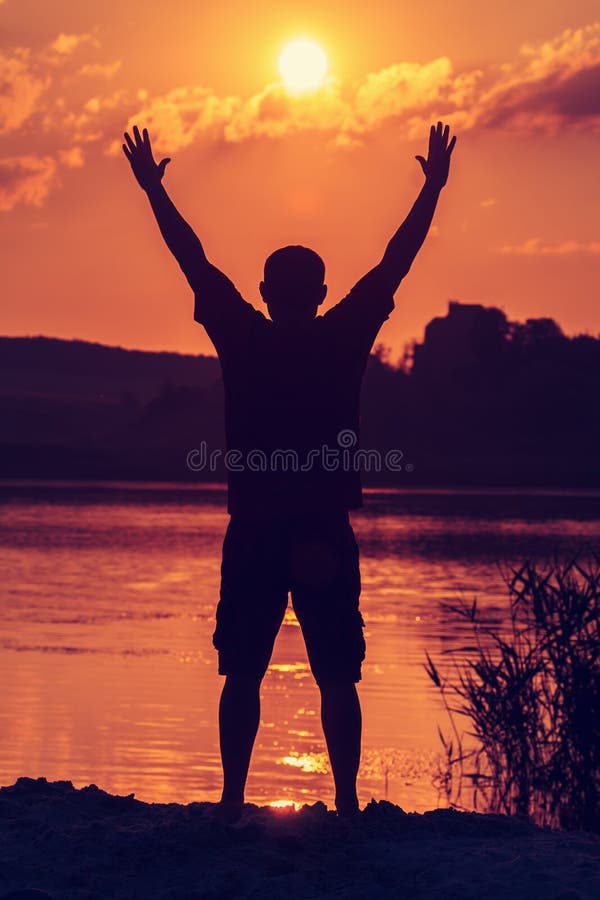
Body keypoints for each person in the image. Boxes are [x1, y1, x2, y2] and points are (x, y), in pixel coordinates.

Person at [123, 121, 456, 820]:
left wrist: (155, 190)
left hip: (255, 531)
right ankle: (342, 801)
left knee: (242, 669)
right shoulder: (343, 335)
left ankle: (234, 798)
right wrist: (431, 191)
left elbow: (191, 259)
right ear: (322, 290)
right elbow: (397, 261)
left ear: (267, 291)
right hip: (322, 532)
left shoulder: (243, 336)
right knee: (337, 673)